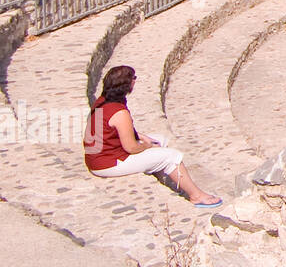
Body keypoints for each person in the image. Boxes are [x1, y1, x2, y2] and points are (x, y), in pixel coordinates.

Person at [83, 65, 221, 207]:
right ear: (127, 84)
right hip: (109, 163)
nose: (135, 81)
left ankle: (167, 178)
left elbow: (112, 128)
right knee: (171, 156)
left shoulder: (102, 101)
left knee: (160, 140)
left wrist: (142, 137)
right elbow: (131, 147)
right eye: (133, 78)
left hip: (98, 157)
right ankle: (196, 196)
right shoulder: (119, 112)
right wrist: (147, 146)